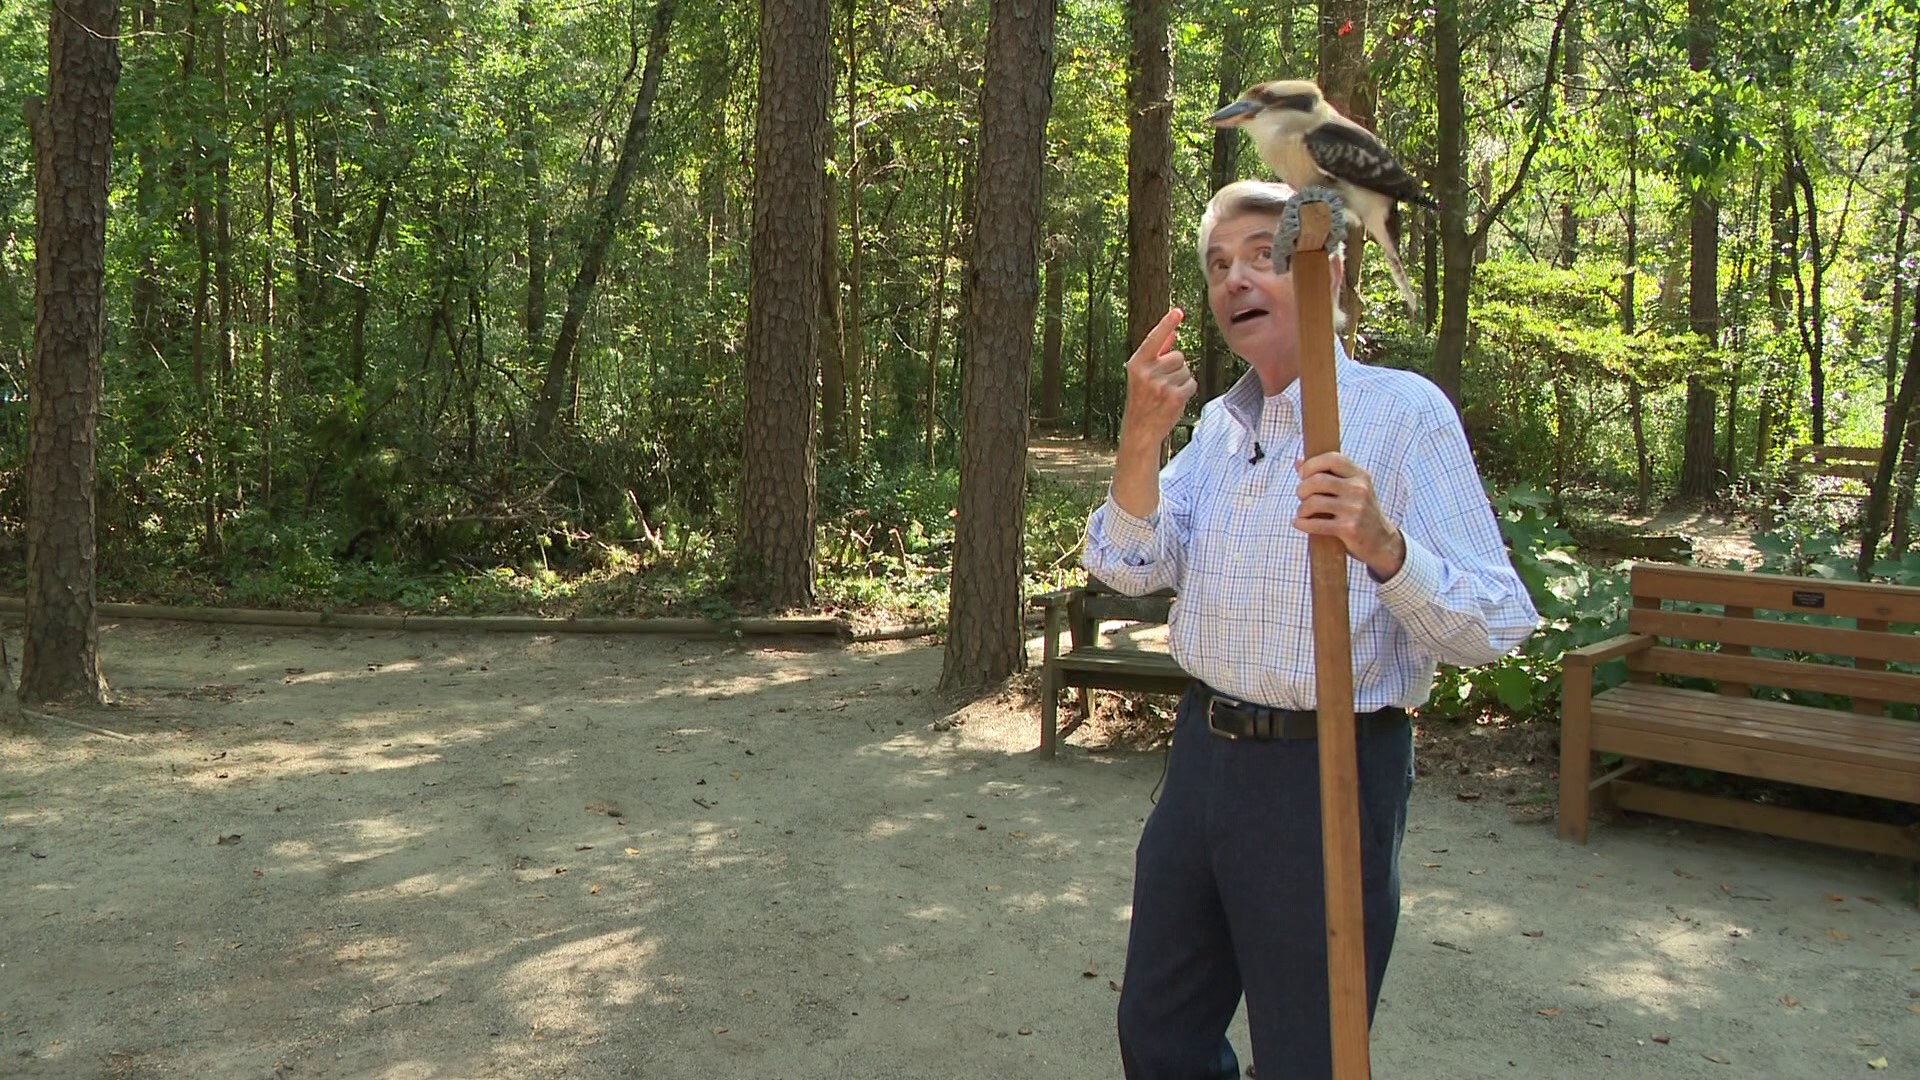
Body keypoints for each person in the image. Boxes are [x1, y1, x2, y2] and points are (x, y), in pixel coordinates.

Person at [1083, 178, 1539, 1079]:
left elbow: (1497, 621)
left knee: (1309, 1055)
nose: (1235, 280)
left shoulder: (1402, 414)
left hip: (1326, 769)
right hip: (1201, 761)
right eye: (1220, 264)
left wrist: (1386, 548)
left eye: (1263, 256)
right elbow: (1129, 564)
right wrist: (1139, 440)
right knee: (1158, 1033)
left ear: (1325, 272)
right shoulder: (1218, 430)